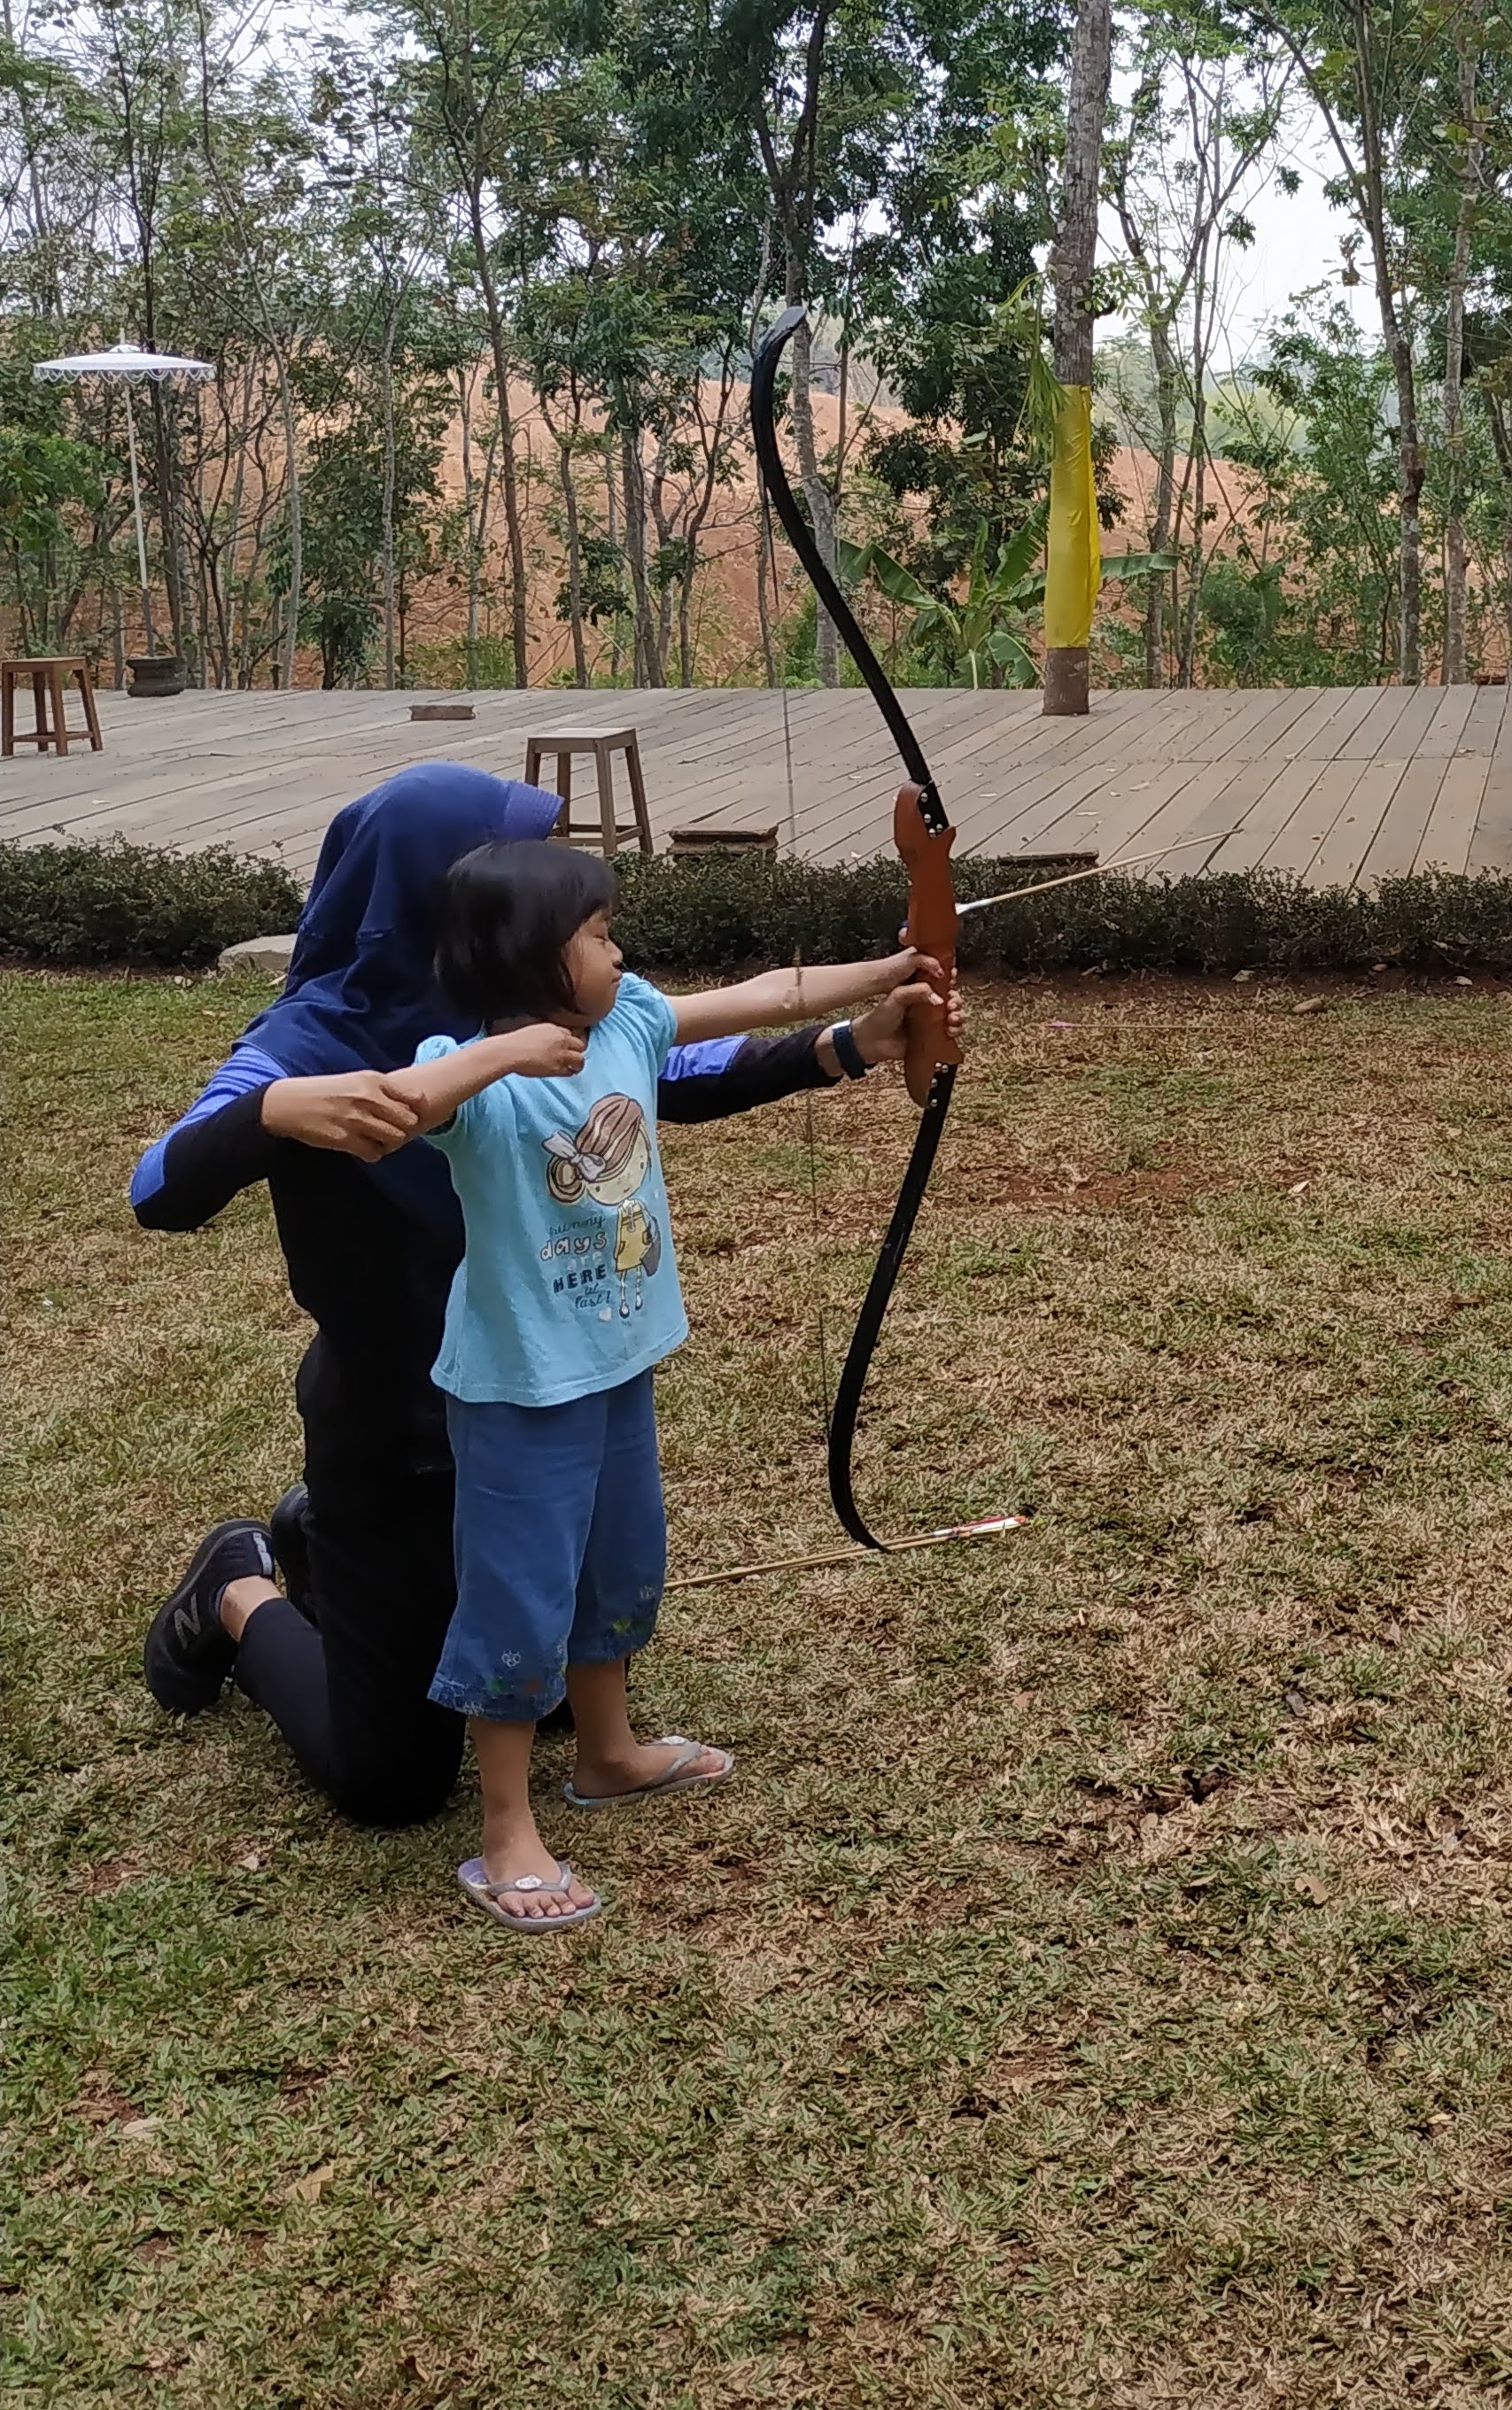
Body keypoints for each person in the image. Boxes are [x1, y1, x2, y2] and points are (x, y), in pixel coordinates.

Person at [131, 762, 948, 1835]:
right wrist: (280, 1109)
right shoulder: (306, 1040)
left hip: (541, 1414)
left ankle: (319, 1545)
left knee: (549, 1689)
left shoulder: (540, 998)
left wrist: (847, 1043)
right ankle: (242, 1581)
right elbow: (160, 1184)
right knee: (393, 1783)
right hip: (401, 1439)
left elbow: (670, 1064)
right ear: (439, 895)